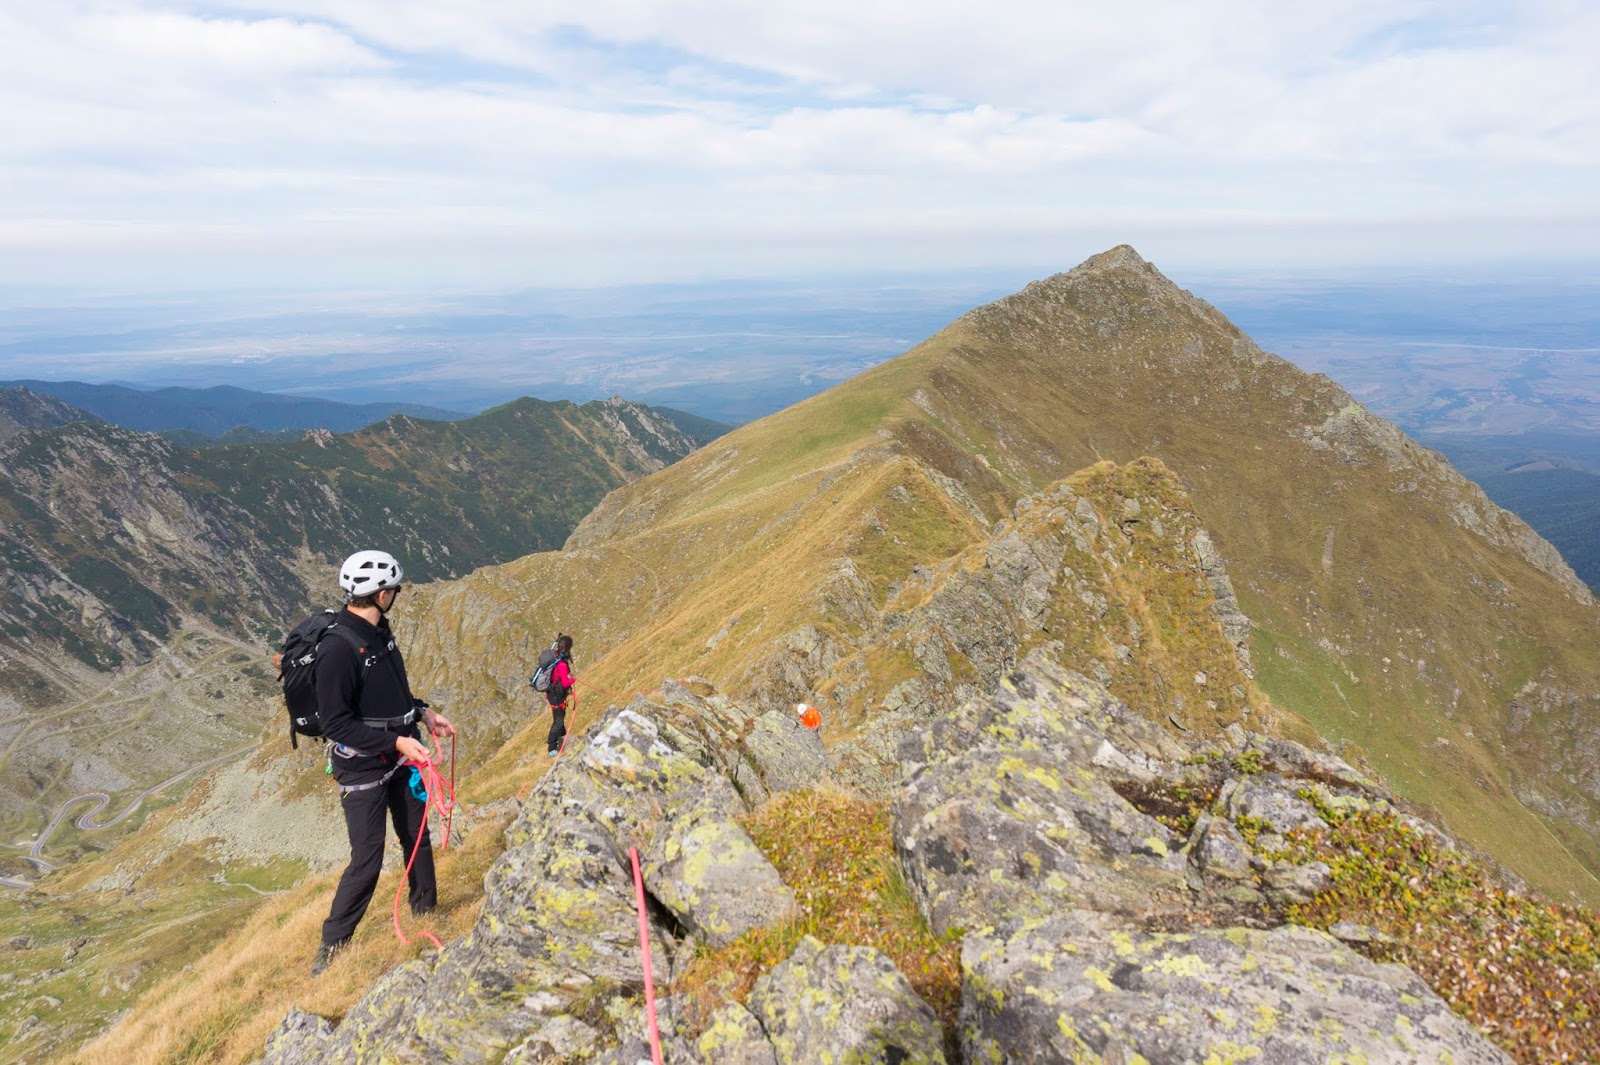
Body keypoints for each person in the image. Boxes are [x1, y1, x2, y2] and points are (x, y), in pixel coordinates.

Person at [312, 549, 455, 976]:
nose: (396, 595)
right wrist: (397, 742)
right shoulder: (337, 649)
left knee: (417, 835)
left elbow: (389, 691)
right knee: (367, 858)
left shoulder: (379, 633)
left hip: (398, 752)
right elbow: (335, 723)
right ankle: (332, 947)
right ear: (378, 594)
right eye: (393, 589)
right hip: (362, 767)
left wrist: (423, 713)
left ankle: (426, 912)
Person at [545, 634, 575, 757]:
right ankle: (552, 747)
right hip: (556, 696)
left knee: (559, 716)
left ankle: (563, 736)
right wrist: (573, 680)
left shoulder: (556, 657)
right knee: (558, 720)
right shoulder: (562, 664)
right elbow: (565, 682)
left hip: (552, 693)